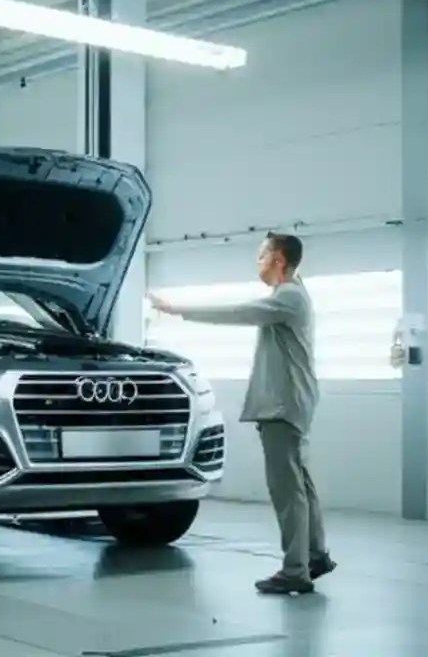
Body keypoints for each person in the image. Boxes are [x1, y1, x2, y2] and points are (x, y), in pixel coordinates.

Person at [148, 233, 333, 594]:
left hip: (283, 405)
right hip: (292, 403)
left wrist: (178, 310)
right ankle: (315, 554)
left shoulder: (289, 297)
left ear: (279, 259)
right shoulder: (293, 294)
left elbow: (239, 312)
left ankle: (296, 570)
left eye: (262, 254)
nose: (258, 260)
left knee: (287, 489)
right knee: (301, 484)